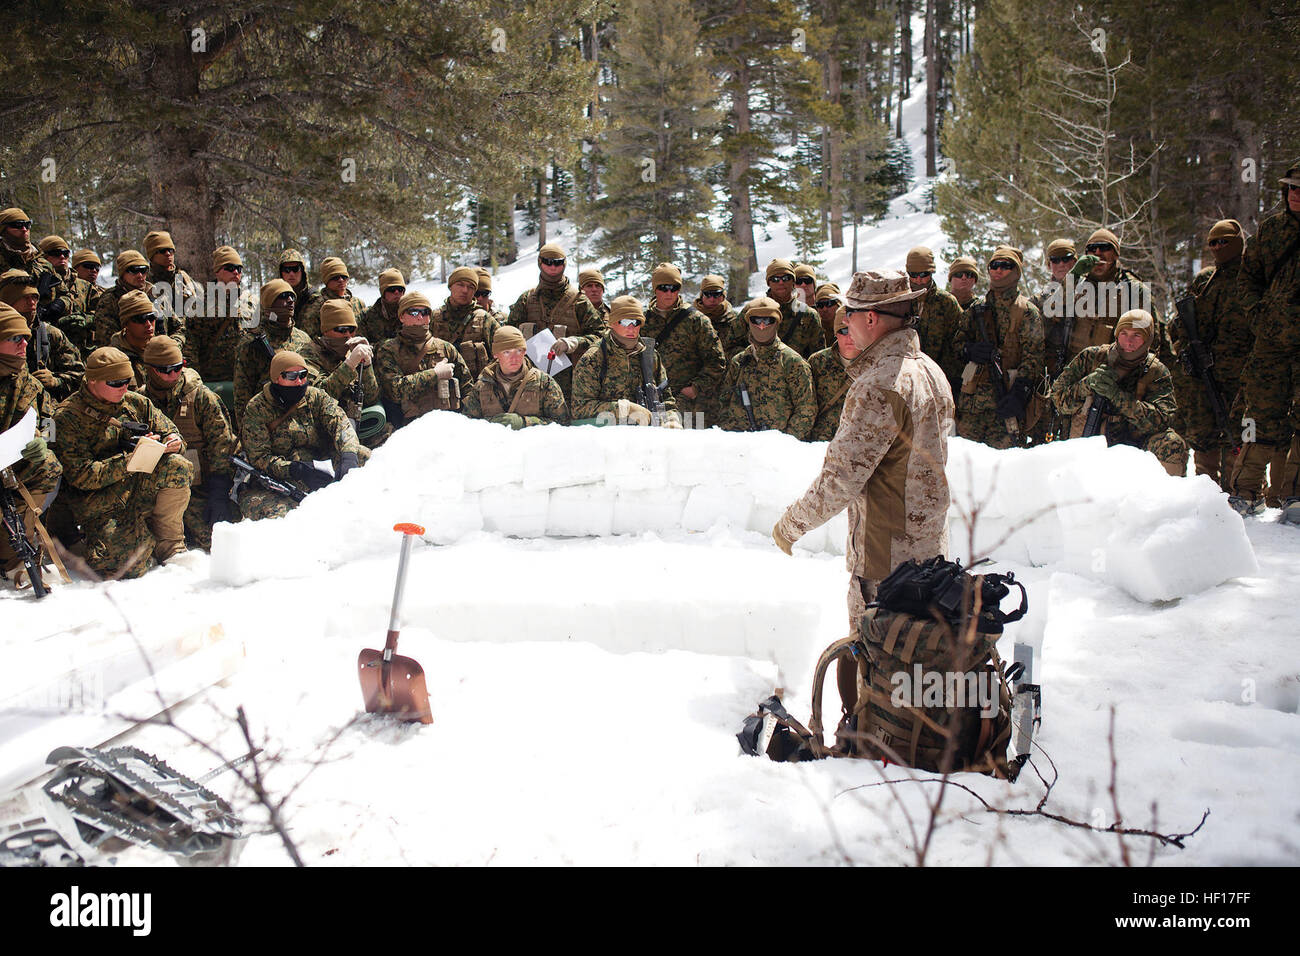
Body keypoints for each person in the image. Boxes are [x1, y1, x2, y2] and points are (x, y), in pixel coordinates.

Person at [772, 269, 953, 632]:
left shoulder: (877, 385)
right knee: (912, 665)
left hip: (885, 564)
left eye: (849, 314)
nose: (846, 324)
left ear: (869, 318)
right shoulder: (930, 371)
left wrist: (789, 527)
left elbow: (840, 480)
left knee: (877, 667)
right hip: (929, 552)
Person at [54, 346, 195, 577]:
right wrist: (131, 459)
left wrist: (174, 441)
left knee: (177, 465)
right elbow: (81, 475)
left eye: (127, 381)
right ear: (92, 381)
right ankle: (135, 537)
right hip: (97, 500)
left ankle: (169, 545)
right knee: (123, 567)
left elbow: (171, 430)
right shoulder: (68, 417)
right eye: (115, 383)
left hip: (135, 485)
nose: (123, 388)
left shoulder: (137, 403)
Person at [1232, 160, 1300, 519]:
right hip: (1271, 342)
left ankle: (1294, 495)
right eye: (1291, 188)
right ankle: (1245, 492)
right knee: (1258, 416)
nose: (1295, 195)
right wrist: (1257, 313)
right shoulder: (1271, 231)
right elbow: (1248, 278)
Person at [1050, 309, 1186, 476]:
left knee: (1171, 444)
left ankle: (1164, 498)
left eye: (1137, 335)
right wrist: (1087, 385)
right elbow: (1057, 399)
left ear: (1148, 339)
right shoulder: (1091, 357)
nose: (1128, 342)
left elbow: (1162, 420)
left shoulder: (1156, 371)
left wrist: (1117, 397)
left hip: (1135, 448)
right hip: (1086, 442)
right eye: (1124, 333)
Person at [136, 336, 240, 549]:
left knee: (215, 541)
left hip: (197, 489)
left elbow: (222, 447)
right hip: (151, 489)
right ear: (149, 369)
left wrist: (219, 493)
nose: (174, 374)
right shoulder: (140, 401)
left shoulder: (201, 398)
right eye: (166, 370)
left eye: (178, 367)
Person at [1170, 220, 1252, 490]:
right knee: (1204, 431)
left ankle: (1239, 489)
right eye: (1213, 243)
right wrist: (1187, 348)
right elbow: (1181, 323)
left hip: (1241, 371)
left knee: (1236, 431)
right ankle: (1208, 490)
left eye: (1224, 242)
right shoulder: (1206, 279)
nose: (1218, 247)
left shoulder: (1252, 275)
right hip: (1205, 369)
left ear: (1238, 242)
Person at [239, 351, 361, 520]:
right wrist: (296, 469)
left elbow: (340, 423)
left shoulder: (315, 396)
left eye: (303, 375)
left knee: (365, 458)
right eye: (291, 376)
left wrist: (349, 456)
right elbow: (260, 459)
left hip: (322, 464)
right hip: (282, 478)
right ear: (276, 378)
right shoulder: (257, 409)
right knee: (285, 518)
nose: (299, 381)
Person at [952, 247, 1046, 450]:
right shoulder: (976, 309)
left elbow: (1033, 360)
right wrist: (970, 350)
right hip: (972, 407)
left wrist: (1018, 396)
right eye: (994, 265)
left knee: (1004, 469)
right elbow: (956, 345)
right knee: (965, 466)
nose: (998, 270)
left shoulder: (1027, 312)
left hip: (1005, 405)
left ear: (1016, 272)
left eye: (1005, 265)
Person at [0, 303, 63, 590]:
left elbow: (46, 419)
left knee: (48, 464)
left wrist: (39, 439)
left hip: (9, 466)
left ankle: (14, 558)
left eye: (26, 336)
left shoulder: (25, 380)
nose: (24, 343)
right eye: (15, 338)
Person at [506, 242, 606, 401]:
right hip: (530, 383)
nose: (553, 267)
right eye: (548, 262)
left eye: (558, 262)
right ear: (540, 263)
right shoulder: (527, 300)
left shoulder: (579, 302)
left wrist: (573, 342)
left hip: (570, 386)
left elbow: (600, 336)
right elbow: (507, 337)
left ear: (564, 264)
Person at [570, 295, 680, 426]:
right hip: (609, 436)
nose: (631, 327)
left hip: (648, 433)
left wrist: (671, 419)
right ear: (612, 322)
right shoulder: (593, 358)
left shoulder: (650, 356)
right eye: (625, 321)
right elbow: (579, 409)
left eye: (636, 322)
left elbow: (667, 400)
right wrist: (624, 409)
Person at [717, 296, 815, 438]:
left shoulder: (792, 362)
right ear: (748, 322)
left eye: (768, 320)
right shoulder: (739, 362)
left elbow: (806, 409)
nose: (762, 326)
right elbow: (723, 404)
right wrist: (733, 436)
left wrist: (785, 442)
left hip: (778, 450)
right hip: (741, 447)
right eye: (756, 321)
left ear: (777, 323)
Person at [641, 262, 725, 424]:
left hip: (692, 406)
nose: (669, 293)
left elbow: (716, 362)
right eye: (663, 288)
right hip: (653, 401)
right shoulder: (643, 321)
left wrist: (695, 389)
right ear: (655, 289)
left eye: (674, 288)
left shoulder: (696, 320)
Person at [374, 290, 471, 426]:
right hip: (408, 428)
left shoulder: (445, 348)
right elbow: (395, 391)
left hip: (447, 424)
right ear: (401, 317)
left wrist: (467, 420)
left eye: (425, 313)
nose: (420, 317)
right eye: (413, 312)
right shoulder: (389, 350)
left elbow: (467, 386)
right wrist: (435, 374)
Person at [297, 300, 385, 450]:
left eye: (351, 329)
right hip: (325, 433)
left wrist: (366, 365)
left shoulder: (351, 350)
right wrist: (349, 364)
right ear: (326, 330)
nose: (348, 335)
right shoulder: (308, 355)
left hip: (358, 425)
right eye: (341, 330)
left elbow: (371, 397)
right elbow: (317, 397)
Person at [232, 279, 313, 430]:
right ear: (269, 303)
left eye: (292, 296)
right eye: (282, 296)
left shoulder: (303, 338)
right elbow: (242, 395)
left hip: (303, 421)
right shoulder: (250, 343)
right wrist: (247, 434)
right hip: (268, 423)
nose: (289, 301)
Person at [0, 269, 84, 401]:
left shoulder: (51, 334)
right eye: (24, 298)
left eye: (34, 297)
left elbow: (81, 377)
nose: (32, 303)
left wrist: (56, 381)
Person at [463, 326, 569, 428]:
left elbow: (563, 424)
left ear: (525, 351)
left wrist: (525, 423)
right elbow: (468, 426)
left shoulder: (544, 383)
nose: (514, 358)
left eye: (519, 350)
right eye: (507, 352)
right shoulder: (482, 386)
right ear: (496, 354)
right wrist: (491, 423)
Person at [183, 245, 251, 382]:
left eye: (239, 268)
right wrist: (194, 381)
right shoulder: (200, 305)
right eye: (230, 268)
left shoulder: (249, 303)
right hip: (213, 381)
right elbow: (191, 346)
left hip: (245, 381)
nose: (236, 272)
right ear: (217, 271)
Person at [907, 245, 964, 399]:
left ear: (931, 273)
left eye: (924, 274)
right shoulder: (900, 302)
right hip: (907, 380)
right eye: (913, 274)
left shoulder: (946, 302)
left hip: (942, 380)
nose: (919, 280)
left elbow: (960, 339)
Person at [431, 266, 501, 382]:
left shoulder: (484, 319)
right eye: (460, 284)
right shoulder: (434, 318)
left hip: (475, 390)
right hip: (440, 389)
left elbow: (504, 353)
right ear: (450, 286)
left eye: (471, 287)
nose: (465, 290)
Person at [747, 258, 822, 359]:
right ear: (768, 283)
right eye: (775, 279)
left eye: (786, 278)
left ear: (793, 281)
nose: (781, 282)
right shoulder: (753, 311)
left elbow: (818, 359)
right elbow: (731, 345)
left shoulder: (808, 314)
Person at [808, 306, 860, 441]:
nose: (850, 336)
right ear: (835, 333)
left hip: (861, 443)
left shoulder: (876, 363)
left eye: (854, 330)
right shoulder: (818, 362)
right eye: (843, 331)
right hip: (822, 442)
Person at [38, 235, 95, 354]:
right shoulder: (38, 284)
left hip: (81, 352)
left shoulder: (84, 286)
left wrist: (83, 320)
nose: (62, 257)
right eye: (55, 253)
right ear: (43, 257)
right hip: (48, 350)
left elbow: (101, 316)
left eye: (65, 253)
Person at [299, 257, 364, 339]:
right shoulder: (316, 307)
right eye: (335, 277)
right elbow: (308, 338)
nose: (341, 280)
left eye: (344, 277)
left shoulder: (357, 303)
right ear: (326, 280)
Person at [694, 273, 745, 360]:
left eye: (716, 294)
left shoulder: (736, 319)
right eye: (708, 294)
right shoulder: (691, 319)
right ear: (701, 296)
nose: (712, 299)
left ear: (723, 296)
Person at [358, 268, 406, 346]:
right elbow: (361, 347)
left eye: (400, 289)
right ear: (383, 292)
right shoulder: (366, 316)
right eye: (392, 289)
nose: (397, 292)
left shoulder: (413, 313)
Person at [813, 282, 843, 351]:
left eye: (829, 303)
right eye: (820, 305)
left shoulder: (850, 327)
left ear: (838, 304)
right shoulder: (813, 329)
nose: (824, 309)